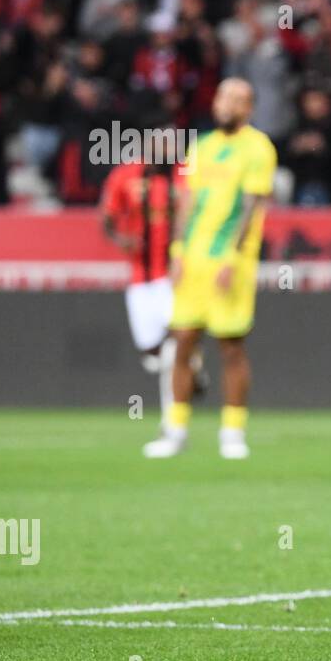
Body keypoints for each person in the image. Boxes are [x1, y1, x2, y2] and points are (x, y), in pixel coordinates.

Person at [143, 78, 278, 459]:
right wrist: (177, 251)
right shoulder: (202, 147)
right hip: (194, 260)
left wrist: (233, 258)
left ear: (248, 108)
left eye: (236, 100)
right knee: (182, 342)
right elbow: (187, 201)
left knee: (230, 346)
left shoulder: (258, 148)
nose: (226, 105)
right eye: (222, 96)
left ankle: (232, 432)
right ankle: (175, 429)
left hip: (229, 262)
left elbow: (251, 205)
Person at [99, 154, 204, 431]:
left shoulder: (187, 173)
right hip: (140, 280)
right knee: (153, 357)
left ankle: (173, 420)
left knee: (173, 350)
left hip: (176, 277)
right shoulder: (126, 175)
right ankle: (192, 369)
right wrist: (120, 238)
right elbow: (107, 216)